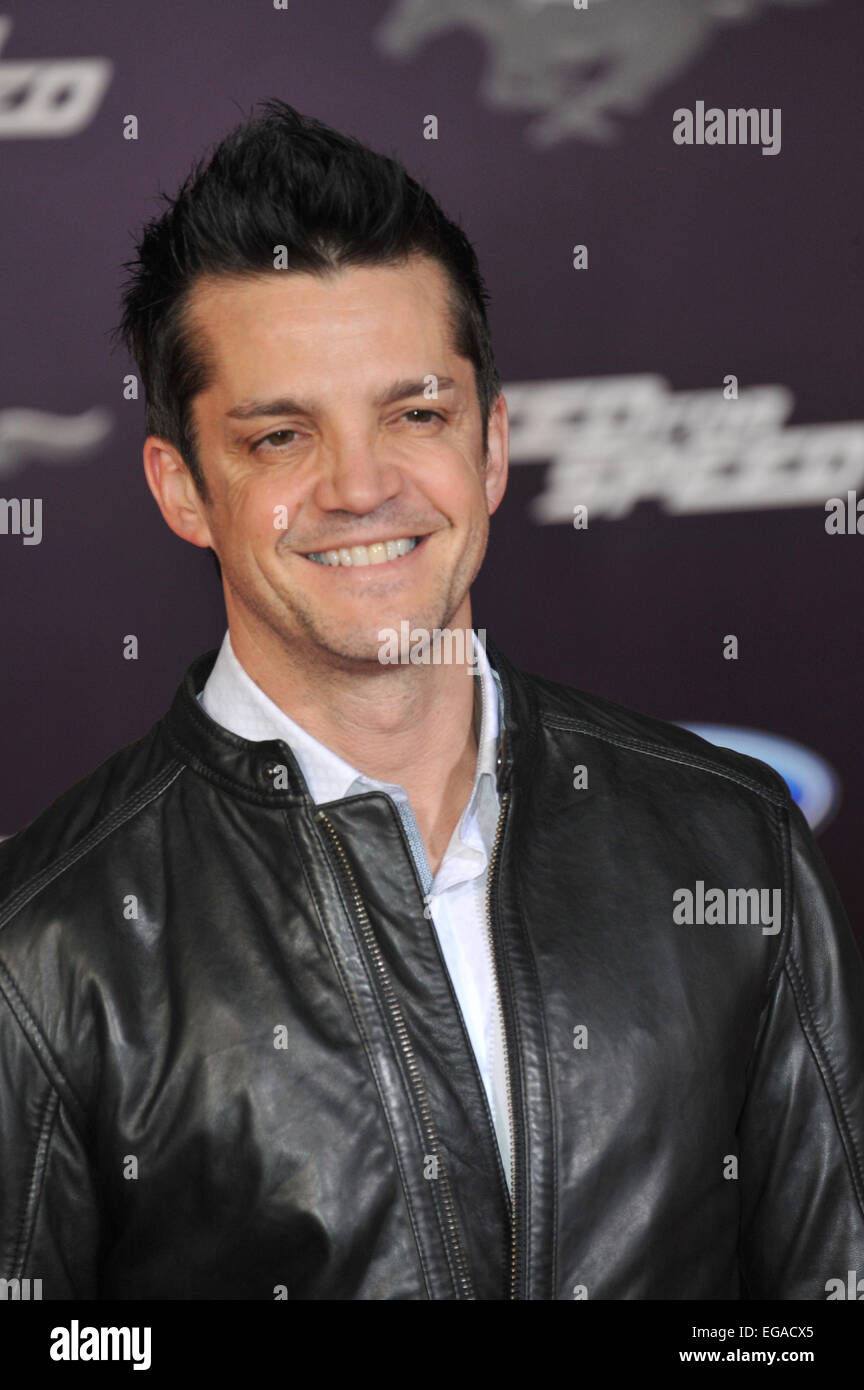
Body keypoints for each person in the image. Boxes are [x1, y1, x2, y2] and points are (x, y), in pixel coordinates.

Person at [1, 100, 862, 1302]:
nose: (362, 486)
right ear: (183, 487)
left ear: (493, 447)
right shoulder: (41, 951)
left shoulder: (731, 837)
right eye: (280, 435)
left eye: (416, 414)